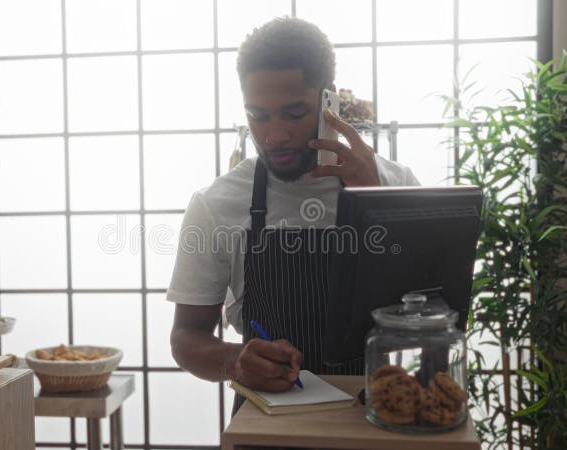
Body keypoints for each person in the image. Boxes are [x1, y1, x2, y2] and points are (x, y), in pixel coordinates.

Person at [167, 17, 419, 396]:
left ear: (330, 101)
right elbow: (186, 337)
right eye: (257, 115)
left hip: (372, 415)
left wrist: (374, 203)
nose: (275, 135)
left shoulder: (395, 184)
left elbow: (431, 315)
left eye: (295, 113)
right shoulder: (216, 204)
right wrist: (236, 360)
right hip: (266, 419)